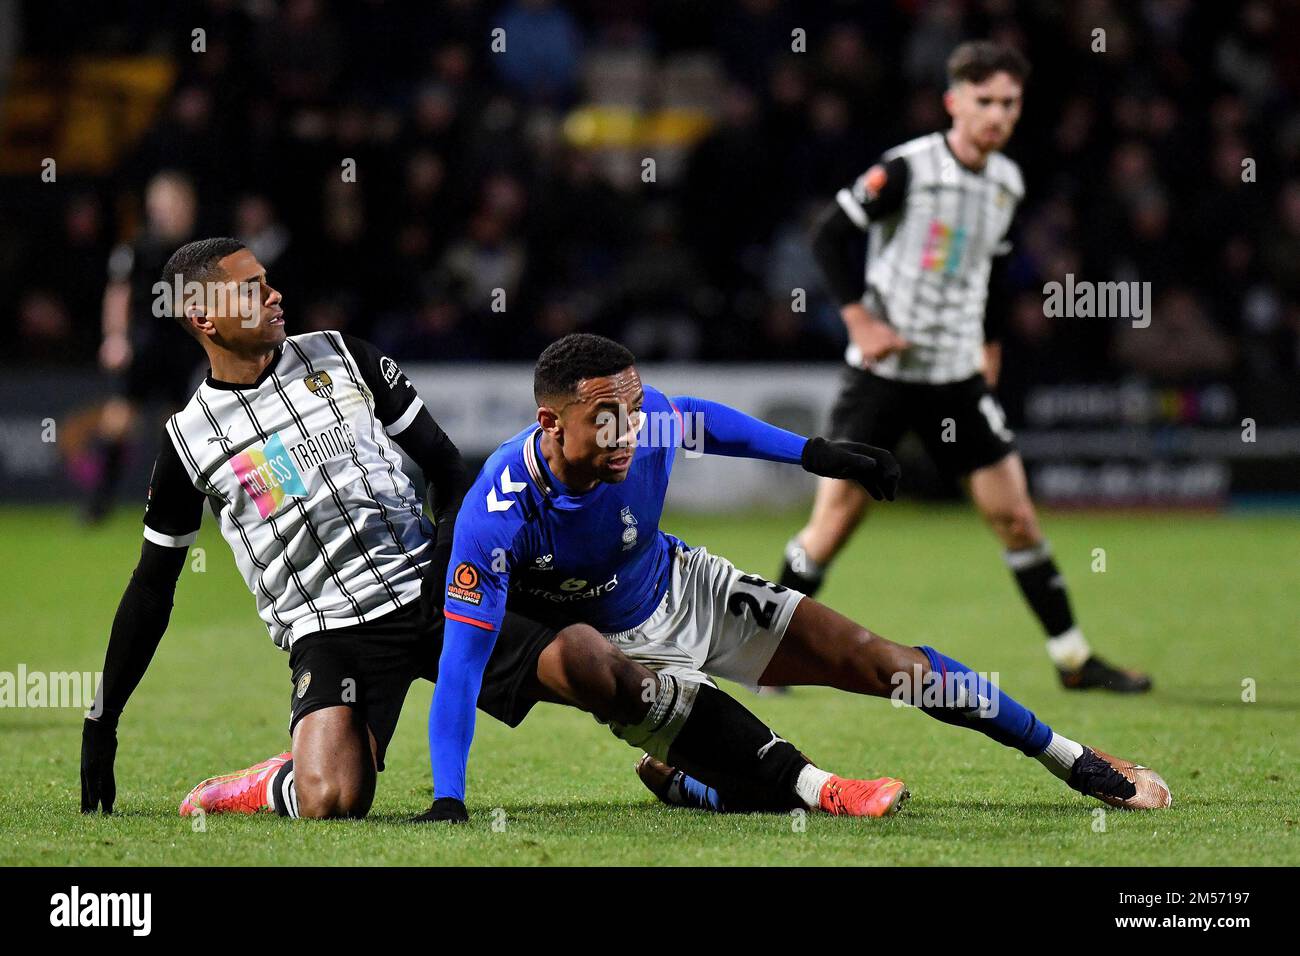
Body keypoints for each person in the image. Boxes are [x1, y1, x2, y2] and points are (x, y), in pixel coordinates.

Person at [79, 238, 895, 823]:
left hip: (436, 585)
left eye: (268, 280)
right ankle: (270, 781)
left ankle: (763, 780)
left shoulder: (341, 357)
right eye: (251, 289)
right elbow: (152, 587)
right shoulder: (189, 442)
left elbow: (444, 464)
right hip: (332, 631)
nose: (275, 295)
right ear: (203, 320)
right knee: (334, 801)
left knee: (598, 668)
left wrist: (454, 556)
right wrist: (102, 724)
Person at [425, 333, 1172, 823]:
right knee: (676, 705)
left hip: (687, 587)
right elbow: (461, 661)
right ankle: (775, 784)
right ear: (551, 425)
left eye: (637, 406)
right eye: (608, 418)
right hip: (618, 647)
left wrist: (819, 454)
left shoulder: (644, 420)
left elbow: (710, 422)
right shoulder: (496, 514)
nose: (634, 427)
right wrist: (451, 800)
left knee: (888, 664)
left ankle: (1074, 760)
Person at [775, 41, 1150, 692]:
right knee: (832, 526)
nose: (997, 115)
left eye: (1009, 103)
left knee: (1017, 518)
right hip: (881, 378)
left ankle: (1072, 659)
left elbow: (996, 273)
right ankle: (766, 654)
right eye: (985, 102)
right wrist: (860, 320)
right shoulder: (909, 169)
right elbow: (829, 233)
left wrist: (991, 344)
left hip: (955, 378)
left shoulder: (1006, 181)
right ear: (954, 102)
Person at [88, 172, 204, 523]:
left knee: (180, 427)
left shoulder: (202, 250)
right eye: (159, 204)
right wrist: (115, 337)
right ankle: (100, 501)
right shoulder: (136, 248)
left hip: (187, 349)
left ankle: (178, 503)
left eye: (172, 204)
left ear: (188, 207)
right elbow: (118, 294)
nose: (165, 212)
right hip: (145, 345)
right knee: (120, 417)